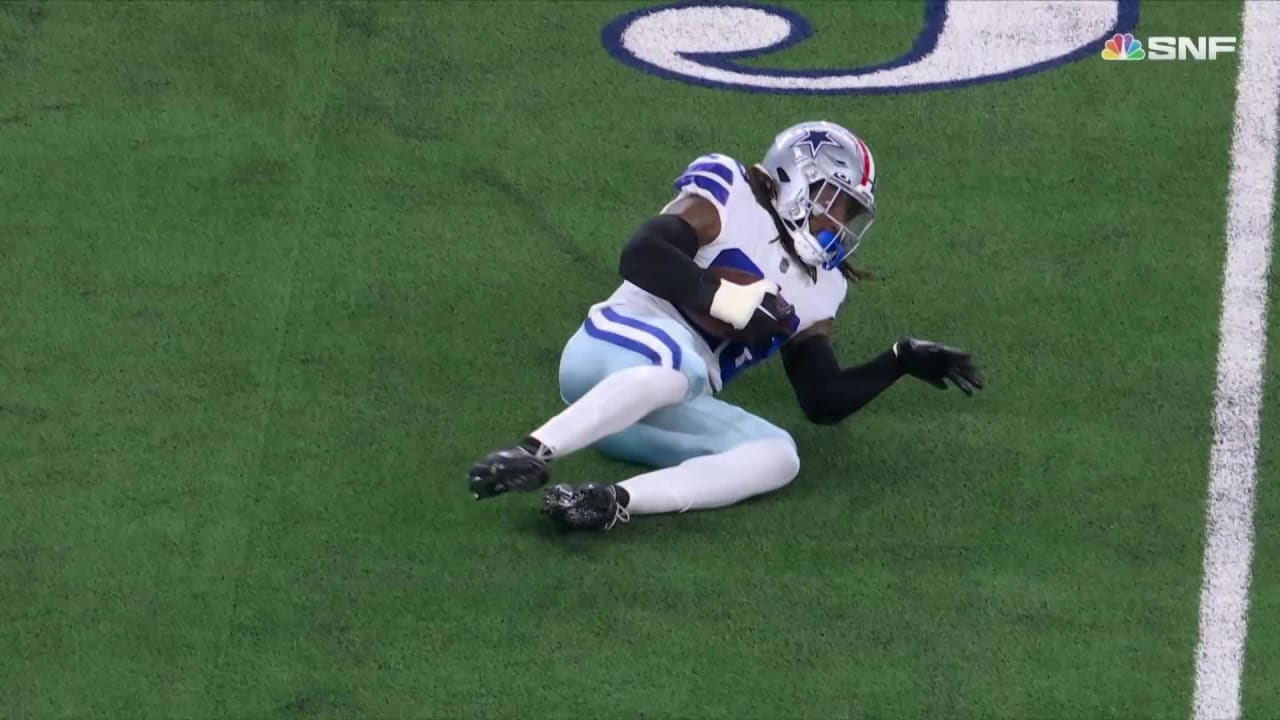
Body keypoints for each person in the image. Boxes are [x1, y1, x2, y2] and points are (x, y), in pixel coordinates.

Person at [467, 120, 984, 531]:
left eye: (848, 215)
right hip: (610, 348)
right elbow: (642, 253)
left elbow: (821, 398)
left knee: (779, 456)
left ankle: (611, 502)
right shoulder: (732, 191)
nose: (838, 225)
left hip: (654, 408)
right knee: (682, 369)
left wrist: (898, 360)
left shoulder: (822, 286)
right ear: (797, 176)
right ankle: (530, 451)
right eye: (834, 202)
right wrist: (729, 301)